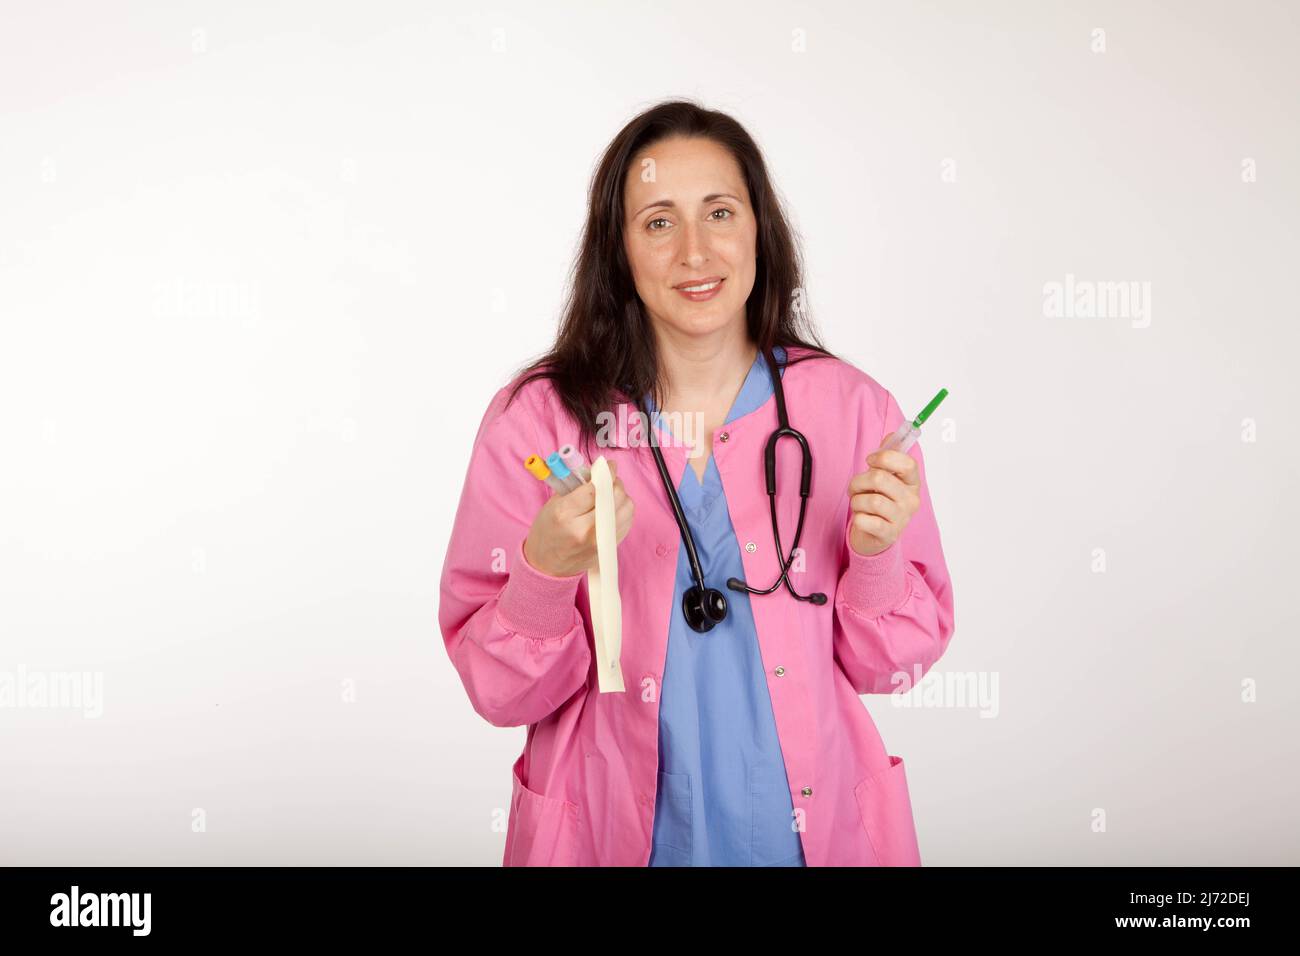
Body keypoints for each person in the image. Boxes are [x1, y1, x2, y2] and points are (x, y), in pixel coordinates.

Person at [438, 99, 955, 866]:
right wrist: (543, 574)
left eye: (719, 212)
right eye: (657, 221)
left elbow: (891, 669)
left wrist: (876, 561)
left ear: (759, 230)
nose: (694, 252)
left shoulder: (851, 411)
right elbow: (500, 694)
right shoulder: (536, 422)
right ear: (617, 251)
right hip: (605, 831)